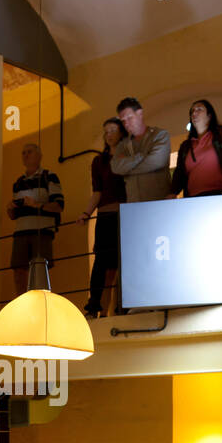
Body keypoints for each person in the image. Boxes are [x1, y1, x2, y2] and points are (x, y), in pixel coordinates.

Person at [77, 118, 128, 318]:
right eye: (106, 131)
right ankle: (94, 306)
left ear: (121, 133)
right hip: (105, 215)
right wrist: (85, 213)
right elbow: (97, 192)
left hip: (125, 214)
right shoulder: (99, 161)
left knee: (124, 261)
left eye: (113, 130)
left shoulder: (128, 156)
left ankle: (123, 307)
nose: (109, 135)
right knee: (100, 261)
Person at [6, 143, 64, 294]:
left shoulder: (49, 176)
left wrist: (36, 204)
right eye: (23, 153)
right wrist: (10, 208)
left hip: (42, 232)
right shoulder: (18, 182)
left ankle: (40, 304)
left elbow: (58, 206)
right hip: (20, 232)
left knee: (39, 271)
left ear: (39, 155)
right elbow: (13, 216)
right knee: (18, 271)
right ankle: (20, 304)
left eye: (29, 152)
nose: (26, 155)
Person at [167, 100, 222, 198]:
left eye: (199, 109)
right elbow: (179, 172)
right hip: (193, 199)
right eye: (192, 111)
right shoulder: (186, 146)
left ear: (209, 115)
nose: (194, 113)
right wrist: (173, 192)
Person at [110, 96, 171, 202]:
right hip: (134, 204)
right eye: (123, 121)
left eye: (129, 118)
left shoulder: (160, 135)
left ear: (140, 113)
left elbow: (157, 162)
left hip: (159, 202)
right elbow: (115, 168)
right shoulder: (123, 145)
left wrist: (127, 169)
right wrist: (142, 156)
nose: (126, 124)